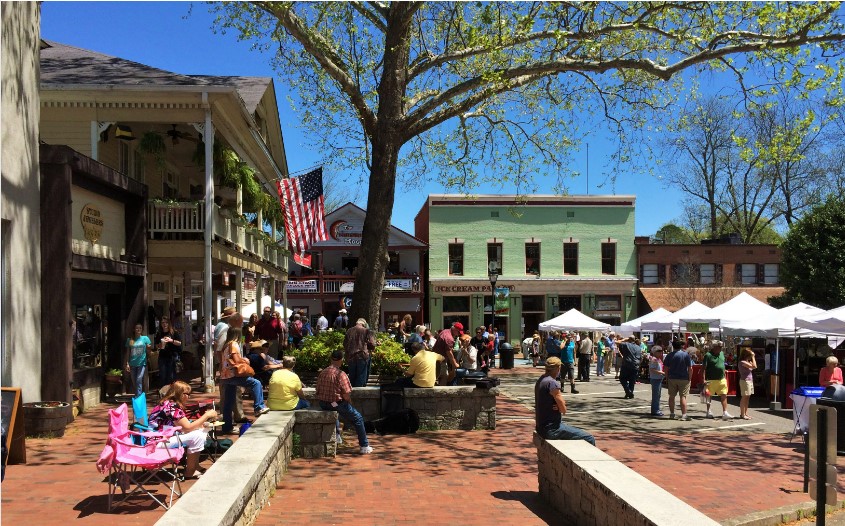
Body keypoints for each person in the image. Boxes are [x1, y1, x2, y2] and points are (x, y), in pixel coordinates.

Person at [149, 380, 217, 479]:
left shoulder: (169, 404)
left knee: (201, 432)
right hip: (157, 442)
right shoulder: (171, 407)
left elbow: (184, 426)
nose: (188, 397)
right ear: (179, 393)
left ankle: (195, 466)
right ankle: (190, 472)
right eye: (186, 394)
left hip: (164, 437)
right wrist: (206, 415)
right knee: (197, 436)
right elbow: (187, 428)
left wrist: (200, 425)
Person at [316, 349, 372, 454]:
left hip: (323, 403)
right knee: (358, 418)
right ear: (341, 360)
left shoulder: (322, 372)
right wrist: (350, 402)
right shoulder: (341, 374)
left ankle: (337, 436)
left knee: (335, 411)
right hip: (335, 403)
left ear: (331, 358)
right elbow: (346, 395)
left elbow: (317, 390)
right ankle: (364, 446)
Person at [219, 326, 270, 435]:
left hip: (225, 376)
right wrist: (245, 360)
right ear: (237, 334)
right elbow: (236, 360)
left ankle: (226, 427)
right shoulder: (233, 344)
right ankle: (258, 407)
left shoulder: (225, 345)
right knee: (256, 383)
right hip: (233, 374)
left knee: (228, 403)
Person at [534, 357, 595, 445]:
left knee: (570, 429)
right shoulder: (552, 383)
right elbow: (563, 409)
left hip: (541, 427)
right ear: (558, 368)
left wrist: (557, 406)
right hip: (552, 429)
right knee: (589, 438)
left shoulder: (541, 380)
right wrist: (560, 406)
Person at [702, 340, 733, 420]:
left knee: (724, 395)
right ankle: (708, 411)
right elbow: (703, 369)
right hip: (710, 379)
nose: (721, 348)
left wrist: (724, 374)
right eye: (719, 347)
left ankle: (725, 412)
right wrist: (703, 379)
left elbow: (722, 364)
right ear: (714, 347)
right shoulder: (708, 355)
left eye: (721, 347)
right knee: (709, 396)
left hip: (721, 379)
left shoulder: (722, 354)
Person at [663, 340, 693, 421]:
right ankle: (684, 415)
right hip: (683, 378)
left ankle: (672, 414)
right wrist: (690, 378)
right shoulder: (685, 355)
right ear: (681, 346)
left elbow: (665, 368)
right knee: (683, 396)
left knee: (671, 396)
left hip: (672, 377)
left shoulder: (669, 355)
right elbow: (690, 368)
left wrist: (666, 377)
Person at [344, 318, 376, 387]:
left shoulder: (349, 330)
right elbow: (372, 344)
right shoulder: (367, 330)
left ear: (357, 323)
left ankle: (352, 394)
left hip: (351, 356)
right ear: (364, 324)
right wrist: (370, 348)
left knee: (352, 377)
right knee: (361, 377)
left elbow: (345, 344)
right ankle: (359, 394)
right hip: (362, 355)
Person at [124, 323, 151, 397]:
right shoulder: (131, 340)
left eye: (140, 328)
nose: (138, 329)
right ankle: (137, 395)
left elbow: (149, 351)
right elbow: (128, 352)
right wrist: (127, 363)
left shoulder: (145, 338)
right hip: (132, 363)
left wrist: (148, 348)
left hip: (142, 363)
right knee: (134, 380)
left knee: (139, 379)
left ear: (142, 330)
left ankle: (138, 397)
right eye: (137, 328)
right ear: (134, 329)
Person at [154, 316, 182, 388]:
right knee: (163, 375)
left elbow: (179, 343)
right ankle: (164, 392)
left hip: (172, 356)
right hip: (162, 356)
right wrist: (161, 344)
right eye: (163, 323)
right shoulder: (159, 333)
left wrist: (171, 340)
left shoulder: (174, 332)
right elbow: (156, 346)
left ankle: (172, 392)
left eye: (166, 322)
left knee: (171, 375)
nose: (164, 324)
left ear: (169, 323)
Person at [738, 349, 757, 420]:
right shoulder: (742, 362)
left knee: (747, 398)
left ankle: (745, 413)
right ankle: (742, 414)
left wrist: (751, 361)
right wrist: (753, 357)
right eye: (750, 356)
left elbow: (753, 366)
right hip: (745, 381)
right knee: (744, 397)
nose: (750, 357)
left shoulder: (747, 362)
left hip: (749, 381)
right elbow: (754, 366)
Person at [648, 345, 665, 416]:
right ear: (655, 352)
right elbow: (652, 369)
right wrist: (662, 373)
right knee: (656, 395)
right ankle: (655, 410)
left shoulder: (658, 359)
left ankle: (656, 409)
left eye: (661, 352)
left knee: (658, 395)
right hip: (655, 379)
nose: (661, 353)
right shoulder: (654, 359)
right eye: (659, 352)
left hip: (658, 378)